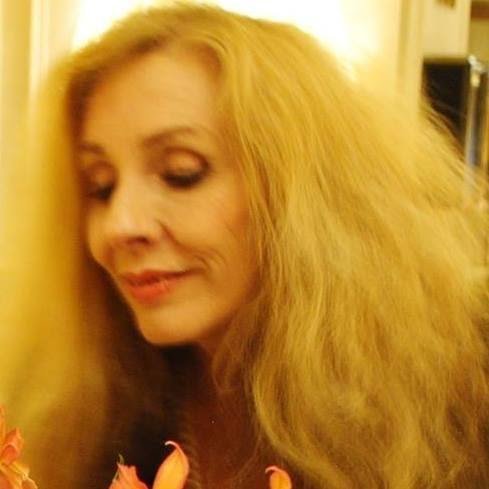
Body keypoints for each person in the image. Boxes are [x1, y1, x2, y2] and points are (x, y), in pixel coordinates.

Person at [1, 2, 489, 488]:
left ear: (299, 194)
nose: (118, 225)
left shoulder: (464, 402)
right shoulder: (81, 418)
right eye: (100, 186)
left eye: (181, 173)